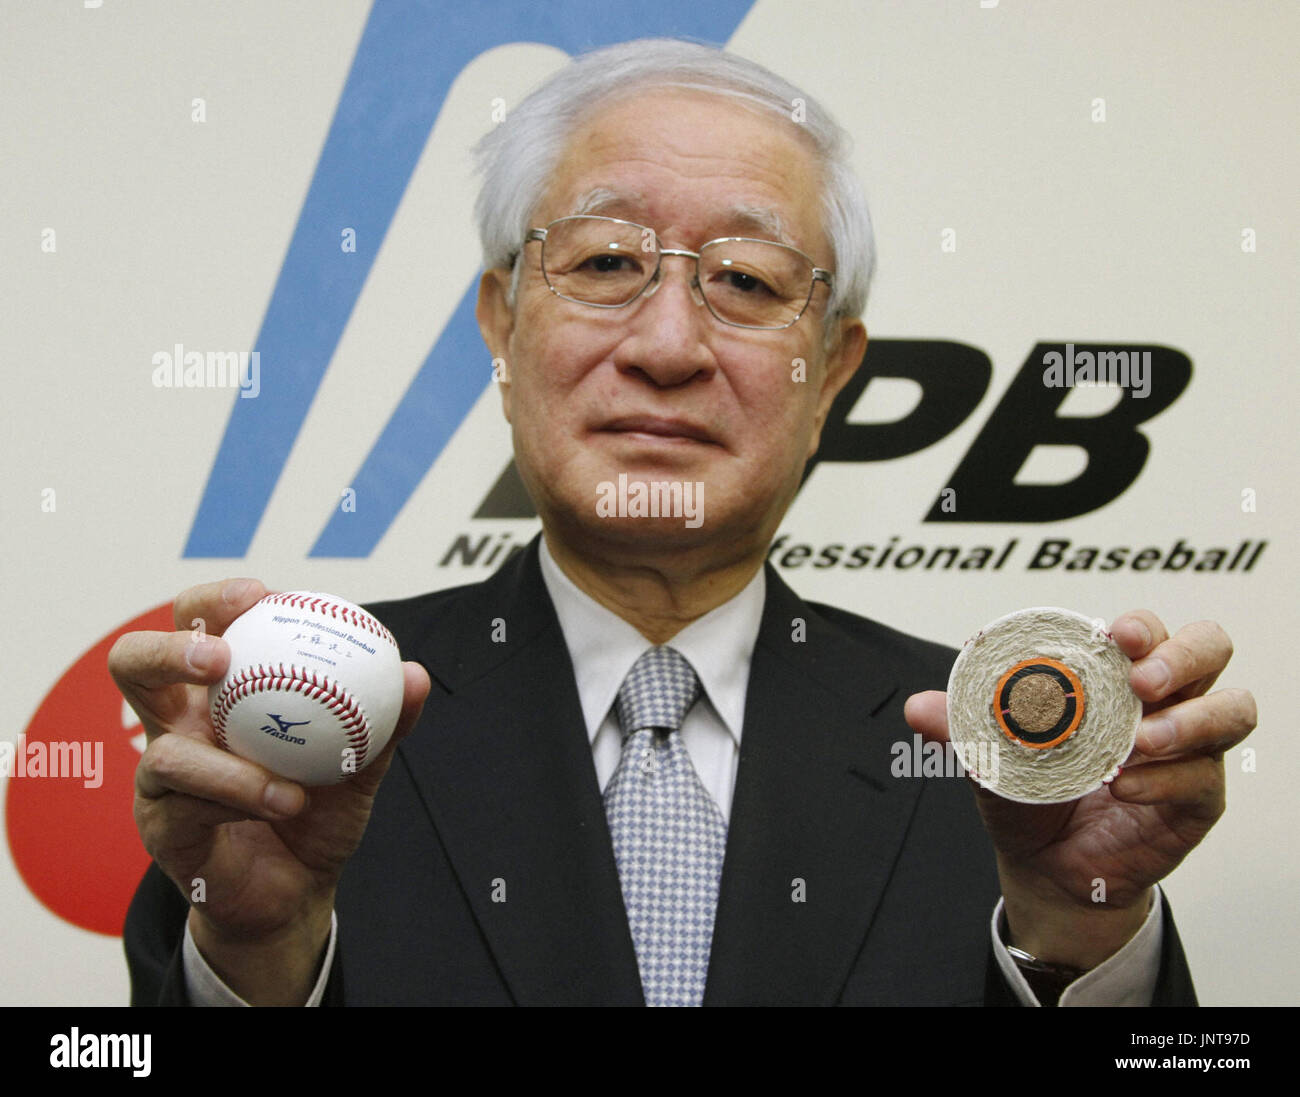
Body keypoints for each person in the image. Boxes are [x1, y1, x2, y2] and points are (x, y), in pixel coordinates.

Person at [112, 38, 1255, 1006]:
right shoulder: (299, 742)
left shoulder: (1001, 747)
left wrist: (1085, 926)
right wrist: (254, 952)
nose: (666, 346)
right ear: (501, 319)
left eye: (748, 282)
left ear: (833, 371)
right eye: (606, 261)